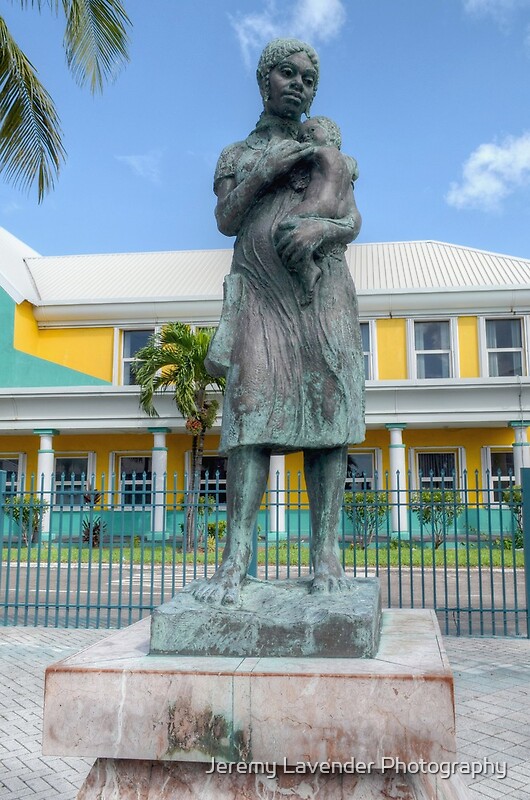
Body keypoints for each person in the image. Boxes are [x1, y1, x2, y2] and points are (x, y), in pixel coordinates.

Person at [193, 38, 365, 605]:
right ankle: (236, 560)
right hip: (259, 297)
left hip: (322, 295)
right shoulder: (235, 155)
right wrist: (270, 168)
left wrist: (323, 230)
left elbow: (351, 218)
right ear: (265, 79)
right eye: (287, 74)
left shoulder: (327, 147)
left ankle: (326, 557)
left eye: (308, 79)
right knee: (248, 421)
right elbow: (225, 218)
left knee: (328, 419)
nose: (299, 85)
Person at [274, 115, 359, 306]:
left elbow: (355, 220)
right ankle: (307, 269)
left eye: (312, 130)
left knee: (285, 226)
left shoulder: (323, 152)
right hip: (334, 206)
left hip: (320, 203)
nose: (305, 137)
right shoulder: (347, 162)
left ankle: (308, 270)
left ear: (331, 136)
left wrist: (286, 151)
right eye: (302, 135)